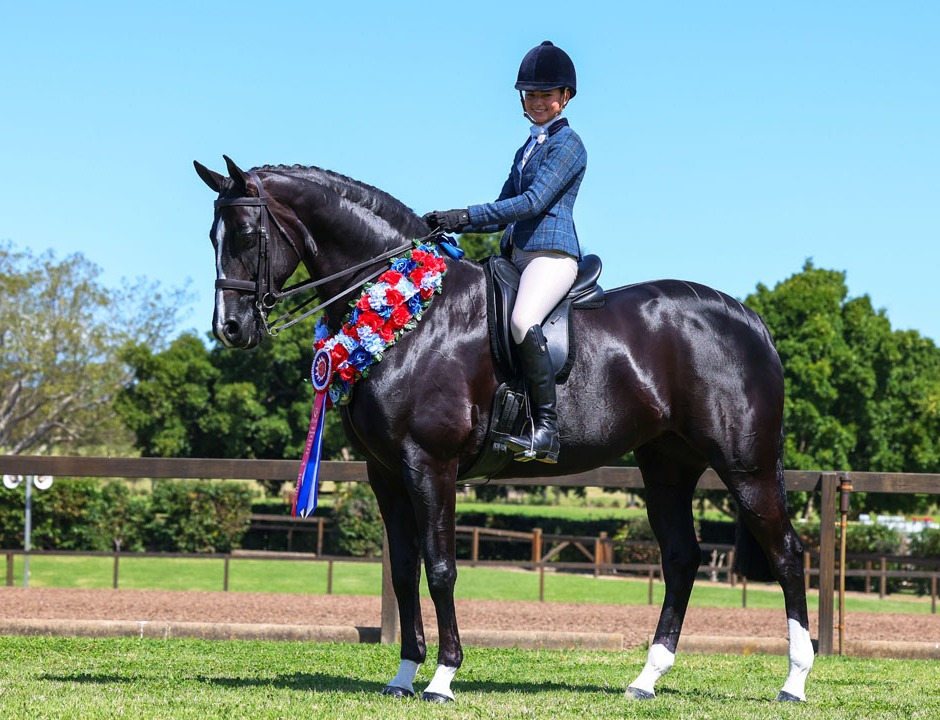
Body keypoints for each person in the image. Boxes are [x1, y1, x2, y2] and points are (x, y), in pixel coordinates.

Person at [424, 40, 587, 464]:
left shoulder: (569, 145)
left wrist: (464, 214)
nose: (536, 102)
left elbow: (532, 203)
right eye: (530, 95)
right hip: (516, 255)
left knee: (521, 319)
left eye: (545, 95)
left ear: (564, 97)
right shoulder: (526, 149)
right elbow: (501, 211)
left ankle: (547, 431)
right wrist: (450, 222)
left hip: (551, 254)